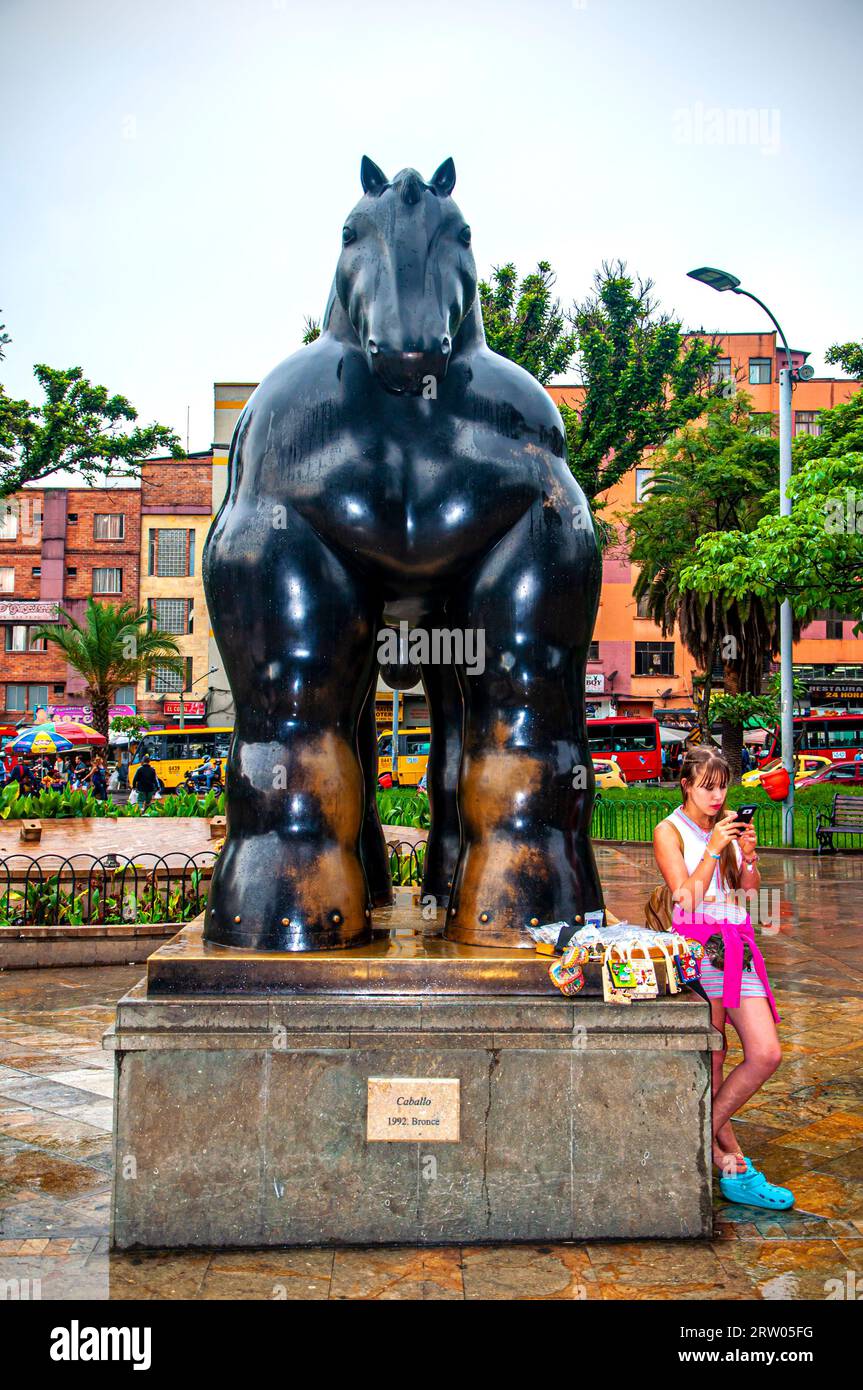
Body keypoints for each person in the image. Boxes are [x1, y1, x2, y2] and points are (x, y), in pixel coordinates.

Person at [653, 744, 793, 1212]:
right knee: (714, 1057)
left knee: (766, 1052)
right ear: (687, 785)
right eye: (707, 786)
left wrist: (748, 857)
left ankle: (697, 1131)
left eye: (723, 786)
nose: (717, 797)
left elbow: (747, 894)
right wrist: (712, 850)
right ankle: (730, 1162)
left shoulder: (727, 827)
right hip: (697, 947)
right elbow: (685, 900)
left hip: (739, 946)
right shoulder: (667, 831)